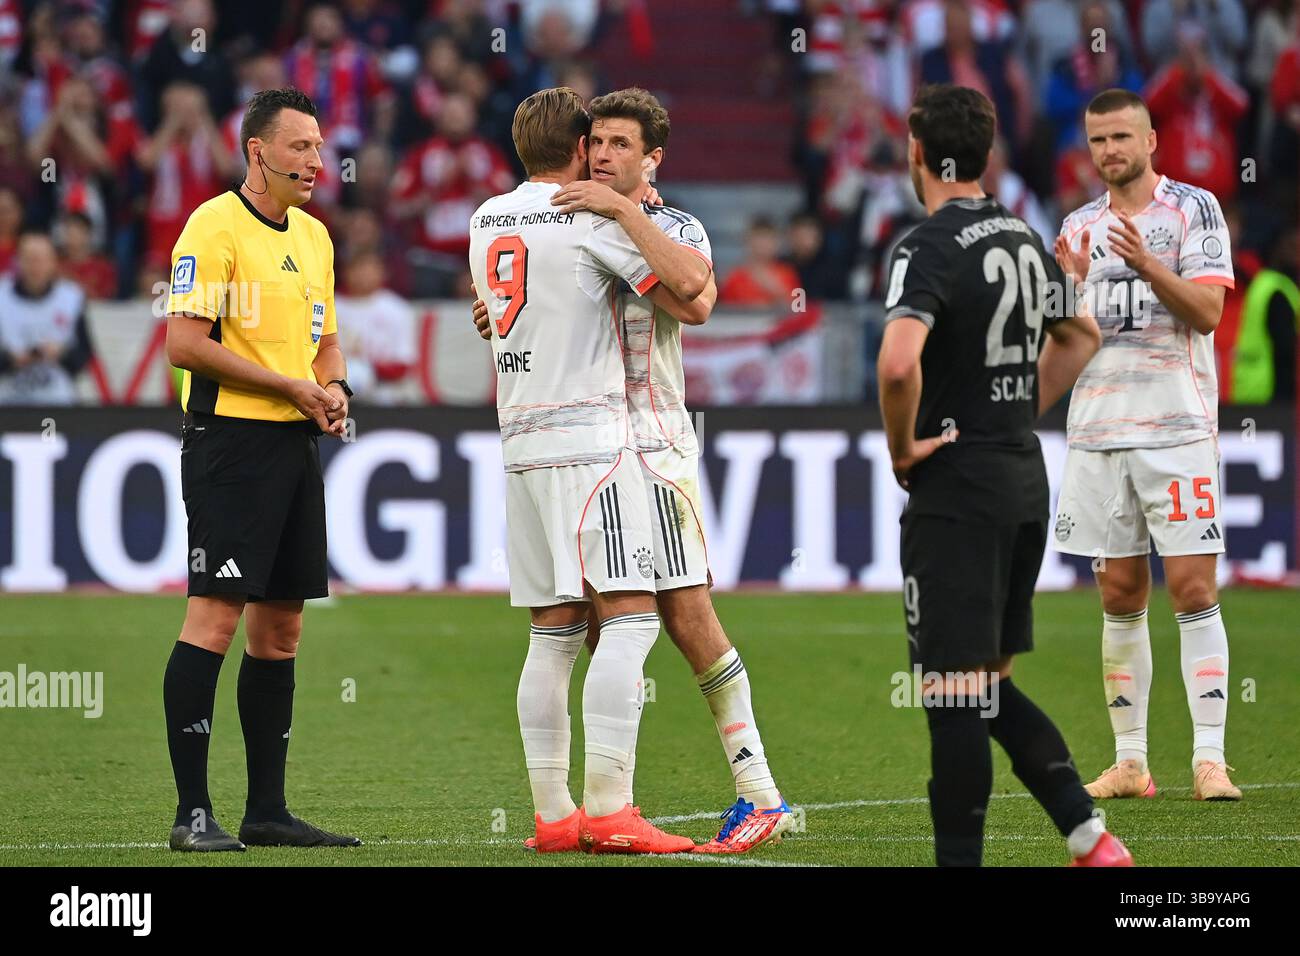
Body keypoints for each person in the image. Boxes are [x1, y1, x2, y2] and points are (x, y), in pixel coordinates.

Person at [474, 88, 793, 854]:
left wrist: (623, 215)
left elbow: (699, 298)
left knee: (683, 619)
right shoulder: (573, 219)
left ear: (653, 158)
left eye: (623, 144)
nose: (609, 154)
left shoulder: (669, 224)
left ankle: (756, 791)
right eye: (601, 142)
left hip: (654, 445)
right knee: (591, 626)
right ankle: (613, 804)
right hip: (602, 448)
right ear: (581, 150)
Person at [878, 83, 1129, 866]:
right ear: (984, 154)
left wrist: (902, 449)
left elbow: (896, 365)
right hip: (1022, 482)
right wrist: (1016, 413)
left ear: (918, 152)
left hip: (958, 494)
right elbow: (1081, 334)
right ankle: (1089, 837)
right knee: (983, 688)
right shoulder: (1023, 235)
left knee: (953, 698)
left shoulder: (926, 245)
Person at [162, 87, 359, 852]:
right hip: (230, 446)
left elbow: (326, 342)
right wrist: (289, 387)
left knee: (280, 633)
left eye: (318, 146)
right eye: (301, 146)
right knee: (214, 619)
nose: (317, 159)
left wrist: (334, 389)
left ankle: (266, 812)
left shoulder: (314, 238)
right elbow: (183, 342)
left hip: (292, 447)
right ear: (258, 152)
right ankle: (192, 815)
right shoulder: (213, 226)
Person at [1054, 89, 1241, 802]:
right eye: (1099, 139)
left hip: (1176, 431)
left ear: (1152, 138)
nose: (1110, 152)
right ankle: (1131, 762)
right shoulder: (1078, 225)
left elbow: (1208, 312)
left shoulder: (1194, 211)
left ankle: (1210, 759)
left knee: (1193, 588)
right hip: (1101, 431)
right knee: (1120, 594)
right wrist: (1066, 288)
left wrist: (1148, 265)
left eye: (1122, 137)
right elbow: (1062, 340)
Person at [0, 231, 94, 405]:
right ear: (18, 261)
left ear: (53, 262)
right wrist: (9, 359)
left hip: (58, 400)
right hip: (8, 402)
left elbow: (85, 354)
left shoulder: (71, 297)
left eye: (41, 260)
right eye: (29, 259)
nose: (35, 267)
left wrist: (61, 354)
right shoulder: (2, 296)